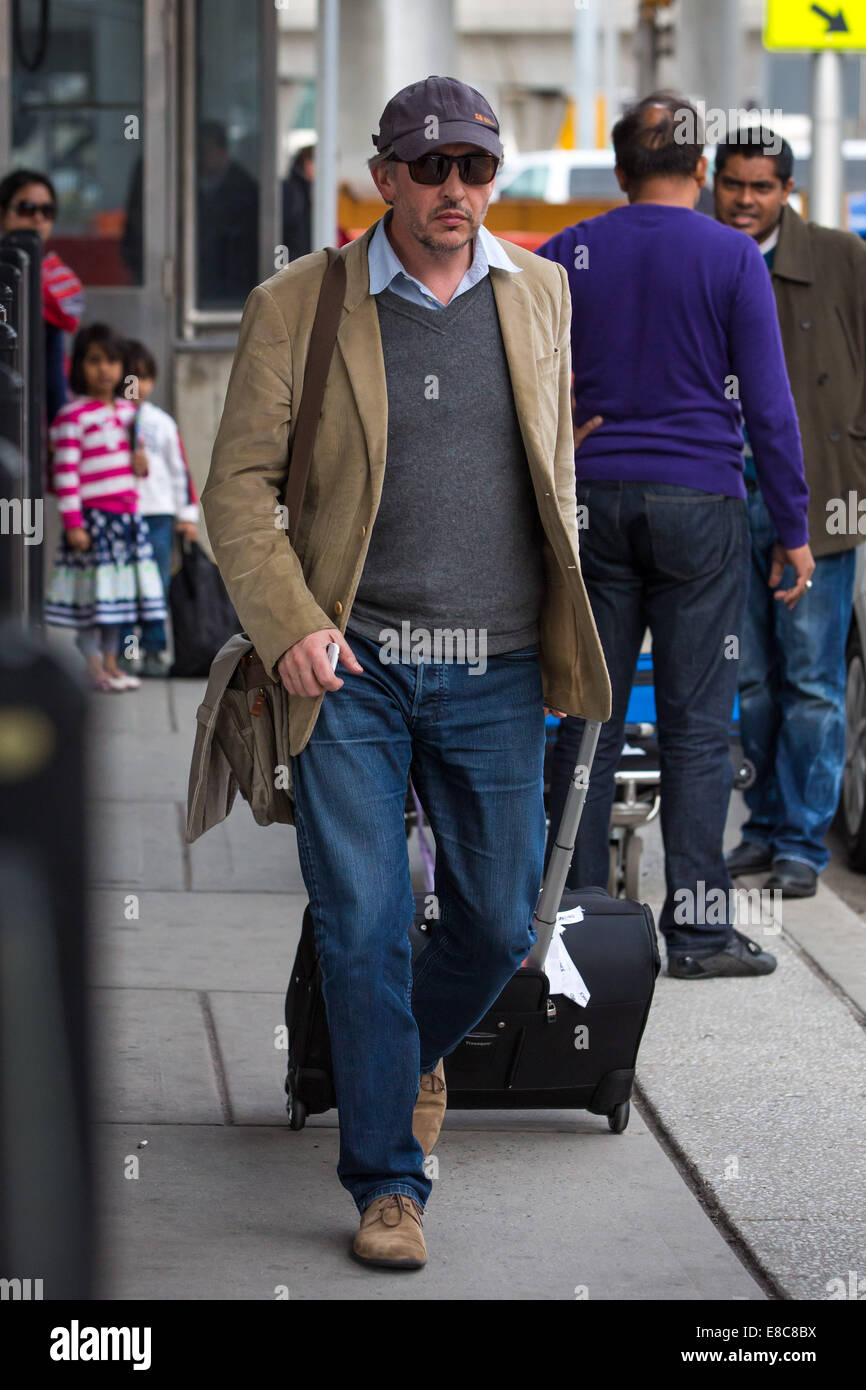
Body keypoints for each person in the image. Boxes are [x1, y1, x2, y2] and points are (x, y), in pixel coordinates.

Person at [201, 75, 610, 1270]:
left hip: (491, 670)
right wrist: (287, 622)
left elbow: (551, 472)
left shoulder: (538, 294)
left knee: (494, 924)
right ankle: (388, 1178)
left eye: (475, 170)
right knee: (365, 921)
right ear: (381, 175)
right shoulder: (301, 305)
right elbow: (237, 490)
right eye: (430, 168)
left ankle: (395, 1057)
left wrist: (552, 629)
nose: (455, 191)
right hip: (350, 668)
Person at [537, 93, 814, 980]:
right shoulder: (733, 255)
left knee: (590, 717)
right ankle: (697, 934)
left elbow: (513, 359)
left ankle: (576, 922)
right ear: (701, 173)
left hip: (595, 499)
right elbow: (769, 406)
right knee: (698, 729)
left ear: (620, 172)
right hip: (701, 503)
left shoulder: (569, 253)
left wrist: (559, 444)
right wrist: (796, 529)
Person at [714, 128, 866, 898]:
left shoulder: (841, 257)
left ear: (787, 190)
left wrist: (852, 470)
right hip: (721, 495)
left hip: (821, 497)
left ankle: (804, 842)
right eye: (734, 185)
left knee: (813, 680)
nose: (745, 201)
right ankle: (765, 827)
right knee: (750, 679)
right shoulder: (704, 252)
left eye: (761, 188)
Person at [44, 323, 166, 692]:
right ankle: (94, 667)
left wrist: (140, 466)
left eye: (112, 361)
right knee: (91, 601)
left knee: (119, 600)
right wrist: (73, 523)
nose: (104, 370)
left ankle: (112, 665)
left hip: (125, 521)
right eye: (94, 360)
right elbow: (65, 474)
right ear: (79, 366)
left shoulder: (131, 417)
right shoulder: (73, 417)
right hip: (94, 522)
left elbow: (134, 472)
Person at [123, 339, 199, 676]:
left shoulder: (162, 423)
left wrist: (187, 515)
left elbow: (179, 469)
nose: (137, 386)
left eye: (144, 378)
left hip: (157, 513)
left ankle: (154, 649)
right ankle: (128, 650)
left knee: (154, 584)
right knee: (122, 585)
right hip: (120, 513)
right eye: (130, 377)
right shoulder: (109, 419)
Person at [0, 167, 85, 422]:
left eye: (47, 211)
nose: (37, 219)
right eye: (26, 209)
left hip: (45, 401)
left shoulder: (59, 277)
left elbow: (54, 358)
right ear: (2, 213)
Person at [197, 121, 259, 305]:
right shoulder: (190, 188)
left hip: (233, 292)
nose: (198, 158)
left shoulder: (245, 191)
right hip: (204, 287)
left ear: (222, 151)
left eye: (204, 151)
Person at [281, 144, 314, 262]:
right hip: (293, 262)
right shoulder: (293, 191)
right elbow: (288, 234)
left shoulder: (303, 189)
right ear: (308, 163)